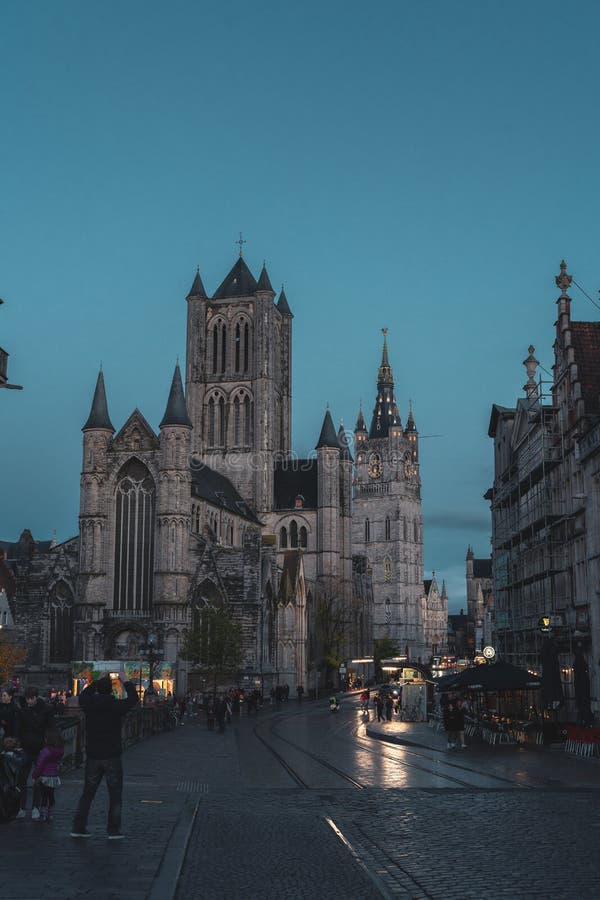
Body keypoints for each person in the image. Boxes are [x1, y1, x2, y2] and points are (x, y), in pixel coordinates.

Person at [71, 673, 139, 839]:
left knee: (87, 794)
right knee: (115, 795)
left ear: (97, 690)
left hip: (94, 755)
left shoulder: (90, 705)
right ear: (111, 691)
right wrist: (126, 681)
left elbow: (83, 696)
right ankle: (113, 830)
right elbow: (133, 700)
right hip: (112, 755)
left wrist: (94, 681)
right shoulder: (115, 705)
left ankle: (79, 827)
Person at [16, 685, 55, 819]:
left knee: (38, 781)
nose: (29, 701)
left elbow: (51, 728)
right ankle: (21, 807)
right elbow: (19, 729)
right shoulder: (24, 710)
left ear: (36, 697)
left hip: (40, 749)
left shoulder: (45, 710)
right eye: (27, 699)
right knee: (22, 779)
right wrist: (19, 743)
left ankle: (35, 807)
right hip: (26, 748)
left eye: (31, 699)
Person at [32, 728, 64, 822]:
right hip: (54, 776)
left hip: (44, 776)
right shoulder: (60, 750)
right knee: (51, 795)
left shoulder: (46, 751)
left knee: (44, 796)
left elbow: (40, 764)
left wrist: (34, 776)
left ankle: (43, 814)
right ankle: (50, 813)